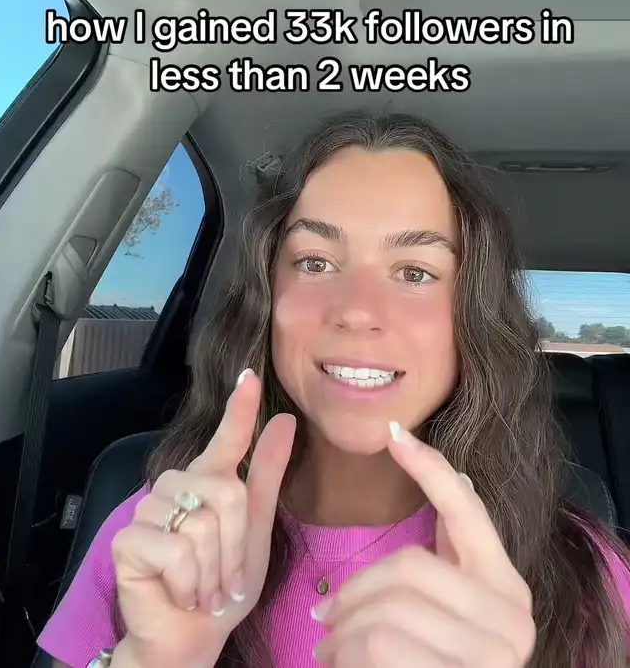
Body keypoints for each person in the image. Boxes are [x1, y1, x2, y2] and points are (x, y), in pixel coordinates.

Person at [38, 111, 630, 668]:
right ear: (267, 301)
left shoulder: (586, 575)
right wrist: (156, 659)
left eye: (415, 273)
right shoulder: (166, 528)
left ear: (469, 319)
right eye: (316, 262)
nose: (356, 310)